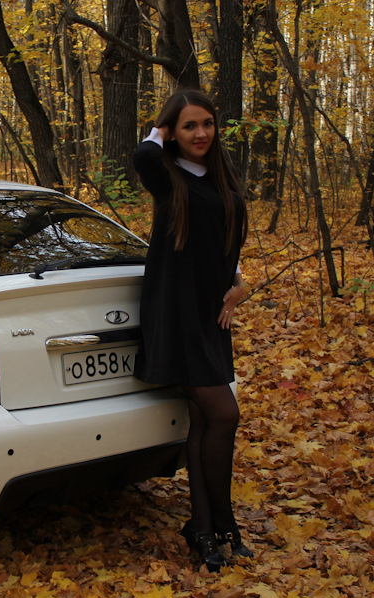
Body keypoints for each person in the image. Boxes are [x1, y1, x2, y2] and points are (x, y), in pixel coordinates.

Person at [133, 89, 251, 572]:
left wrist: (240, 283)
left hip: (210, 315)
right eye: (188, 126)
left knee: (204, 422)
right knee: (224, 415)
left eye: (207, 123)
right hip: (177, 314)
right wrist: (160, 131)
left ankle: (204, 529)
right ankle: (220, 522)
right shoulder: (168, 176)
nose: (201, 133)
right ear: (171, 133)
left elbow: (221, 239)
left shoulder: (219, 176)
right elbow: (143, 155)